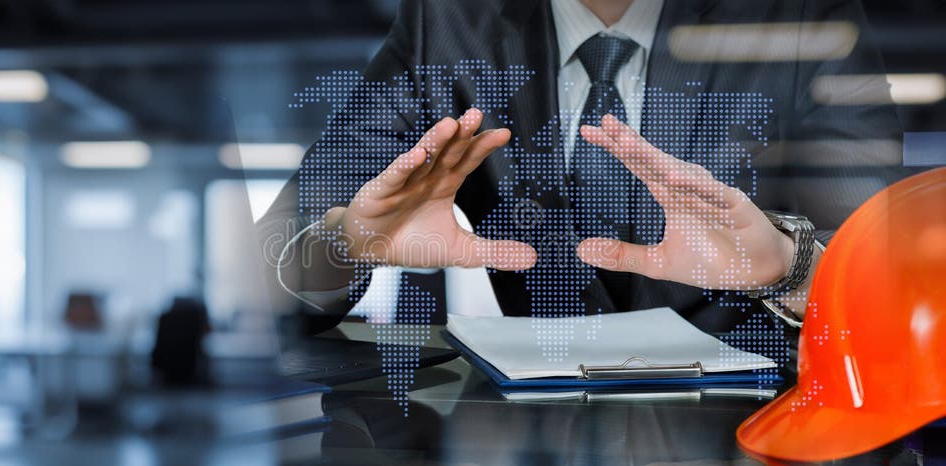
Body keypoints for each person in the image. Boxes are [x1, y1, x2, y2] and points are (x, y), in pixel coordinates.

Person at [258, 0, 903, 335]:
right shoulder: (449, 20)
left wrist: (790, 269)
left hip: (760, 432)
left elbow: (891, 283)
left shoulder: (802, 14)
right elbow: (271, 256)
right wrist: (348, 244)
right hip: (537, 434)